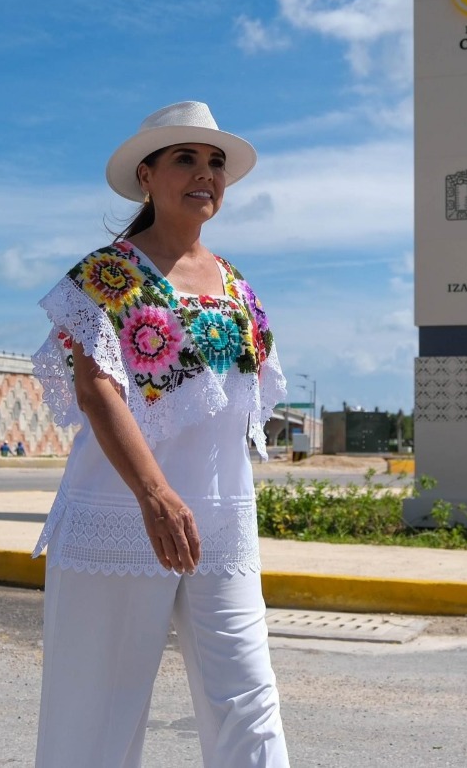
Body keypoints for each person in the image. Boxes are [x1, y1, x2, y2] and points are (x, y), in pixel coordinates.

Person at [30, 101, 290, 767]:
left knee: (250, 701)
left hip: (223, 520)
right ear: (146, 176)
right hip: (121, 512)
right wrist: (155, 494)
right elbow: (96, 391)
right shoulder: (106, 276)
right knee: (96, 714)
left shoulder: (237, 287)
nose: (206, 174)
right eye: (185, 159)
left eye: (215, 162)